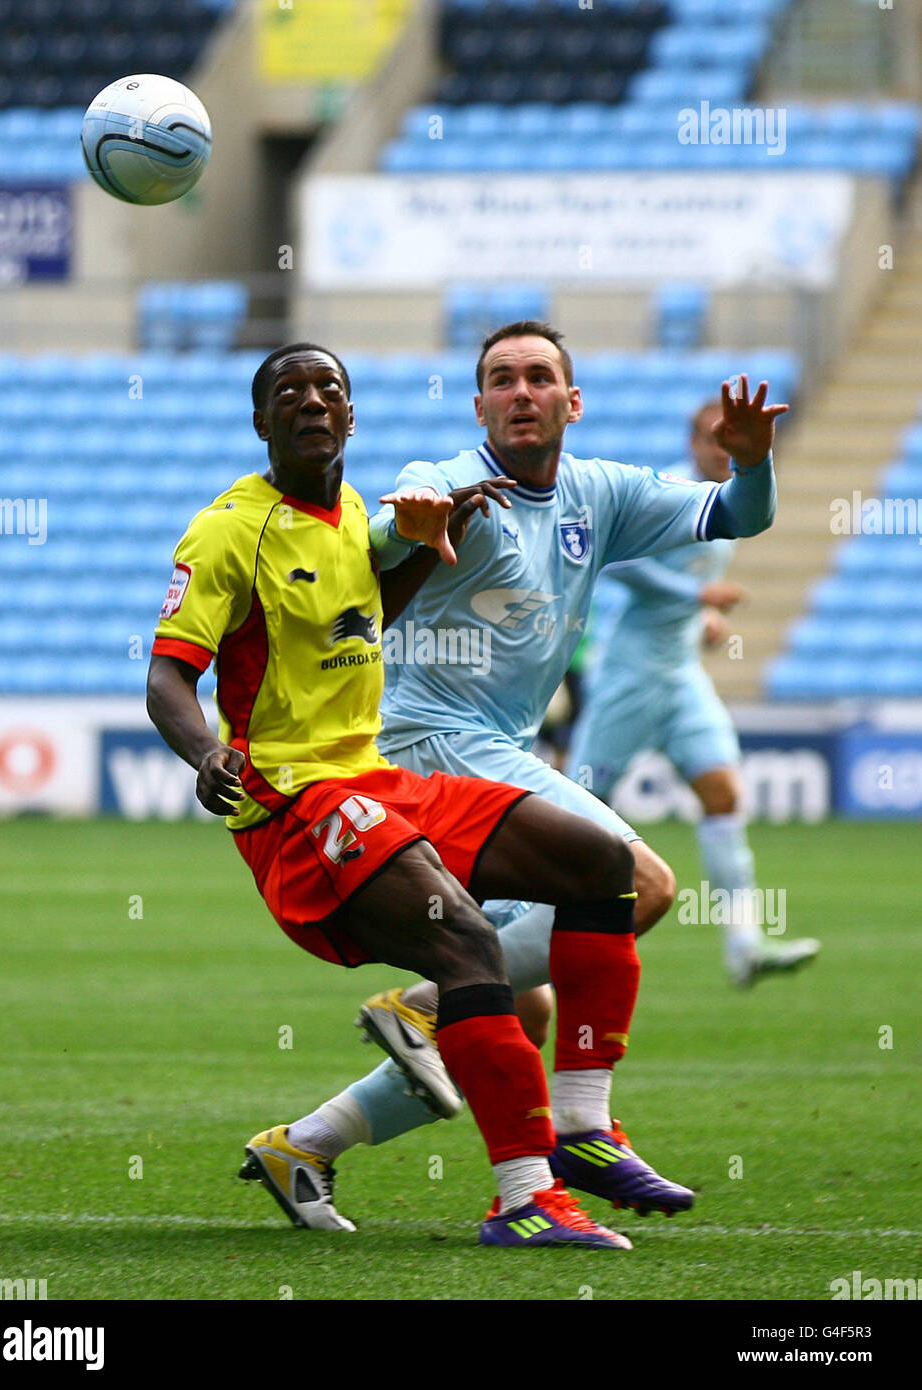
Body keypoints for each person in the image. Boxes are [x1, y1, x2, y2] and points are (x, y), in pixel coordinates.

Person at [146, 340, 688, 1250]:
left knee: (600, 865)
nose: (312, 402)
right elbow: (167, 679)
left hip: (376, 782)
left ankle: (584, 1126)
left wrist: (429, 553)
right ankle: (523, 1198)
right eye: (290, 392)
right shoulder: (227, 530)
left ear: (352, 417)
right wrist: (207, 755)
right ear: (260, 421)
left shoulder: (351, 513)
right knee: (469, 946)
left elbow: (364, 623)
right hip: (295, 806)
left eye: (329, 390)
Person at [247, 323, 784, 1232]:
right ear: (480, 407)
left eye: (540, 377)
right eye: (501, 380)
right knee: (638, 881)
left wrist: (752, 464)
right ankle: (576, 1127)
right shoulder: (453, 482)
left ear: (571, 402)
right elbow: (379, 538)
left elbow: (739, 516)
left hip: (496, 746)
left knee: (512, 1009)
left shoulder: (600, 492)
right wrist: (411, 517)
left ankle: (307, 1145)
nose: (521, 392)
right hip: (420, 741)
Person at [567, 399, 821, 986]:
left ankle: (744, 946)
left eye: (728, 440)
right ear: (692, 443)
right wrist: (695, 601)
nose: (720, 449)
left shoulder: (725, 498)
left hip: (681, 675)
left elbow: (687, 581)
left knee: (725, 793)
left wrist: (697, 620)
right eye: (712, 439)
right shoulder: (668, 492)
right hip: (629, 675)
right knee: (580, 810)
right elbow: (617, 564)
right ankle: (515, 925)